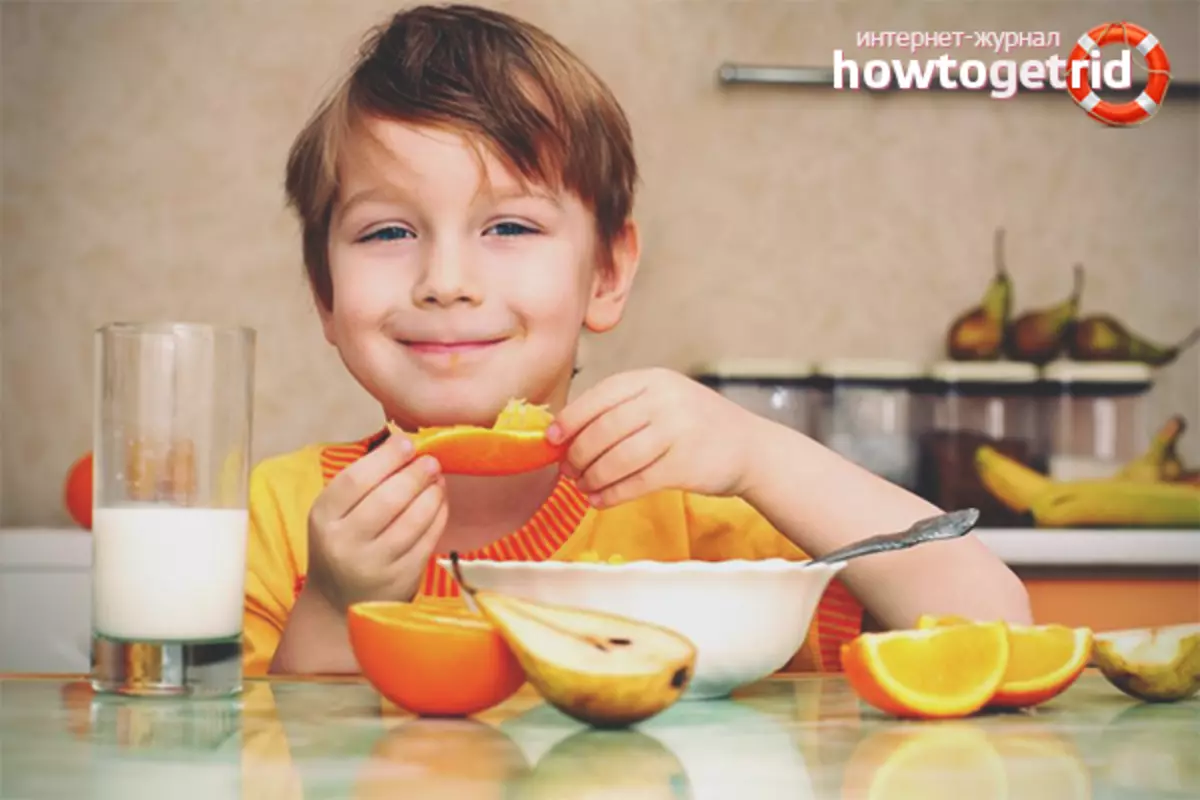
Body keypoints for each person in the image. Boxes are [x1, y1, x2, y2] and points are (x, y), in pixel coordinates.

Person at [244, 3, 1031, 676]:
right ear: (324, 292)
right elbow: (243, 757)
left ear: (608, 273)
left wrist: (763, 456)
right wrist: (338, 603)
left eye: (510, 225)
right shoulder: (276, 516)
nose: (445, 280)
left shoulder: (696, 513)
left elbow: (992, 628)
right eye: (387, 231)